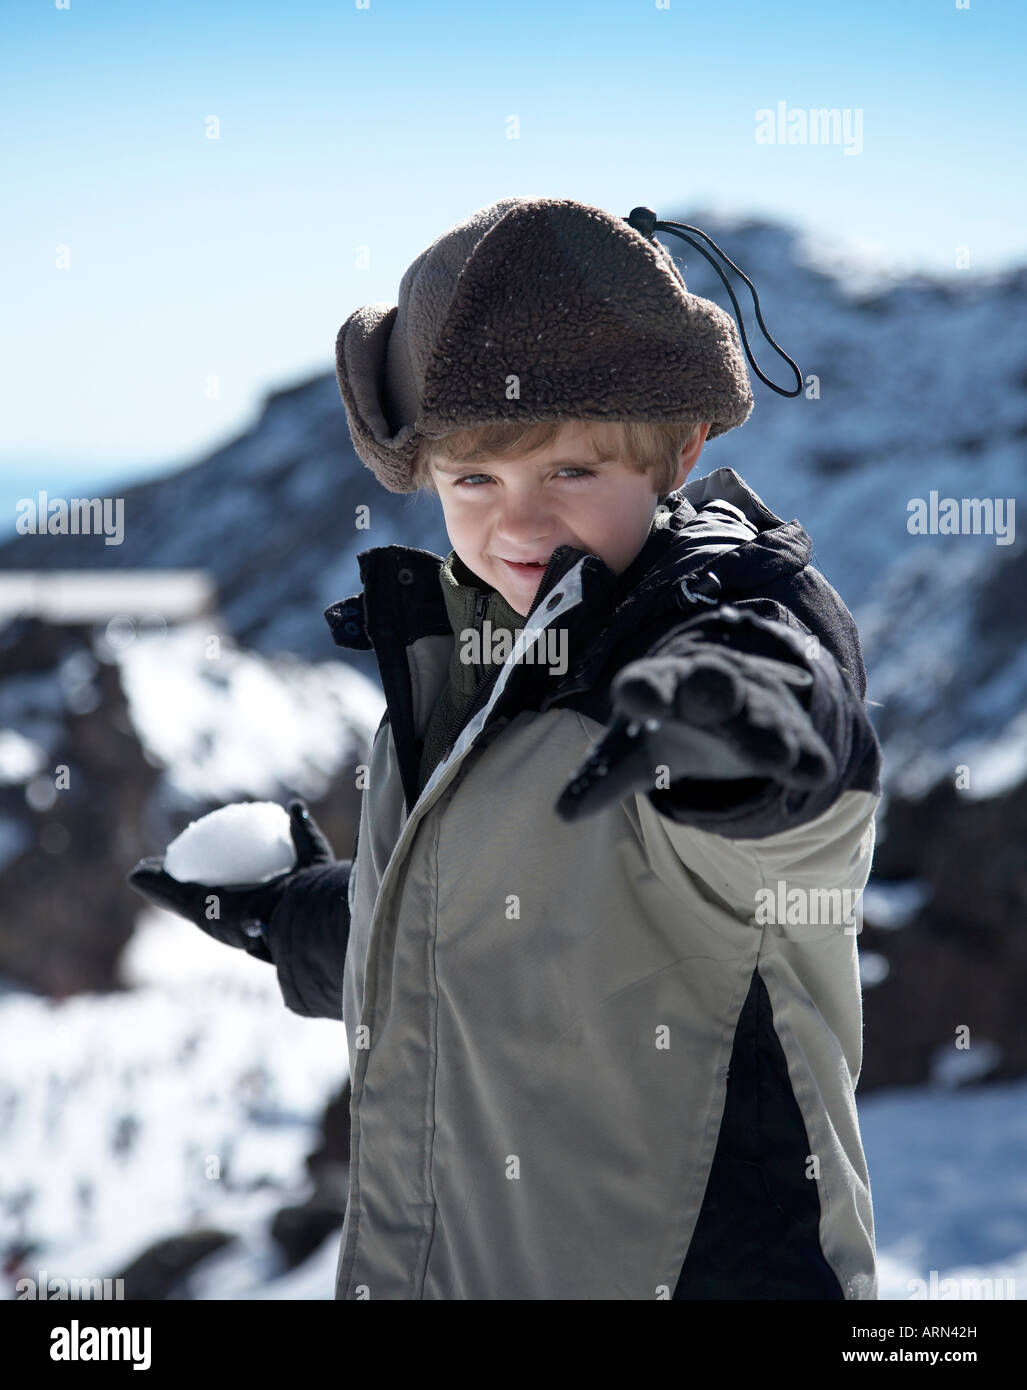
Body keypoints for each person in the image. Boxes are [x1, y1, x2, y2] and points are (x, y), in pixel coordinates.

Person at [129, 196, 882, 1300]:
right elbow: (510, 932)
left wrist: (731, 727)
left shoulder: (719, 630)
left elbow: (792, 760)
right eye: (473, 480)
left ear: (678, 453)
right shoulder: (470, 657)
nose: (517, 524)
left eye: (570, 472)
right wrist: (299, 916)